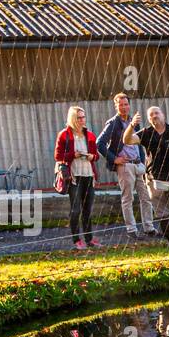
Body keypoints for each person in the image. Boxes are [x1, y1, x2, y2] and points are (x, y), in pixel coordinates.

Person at [123, 105, 169, 246]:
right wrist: (132, 125)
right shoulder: (146, 133)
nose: (154, 116)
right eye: (150, 115)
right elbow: (126, 140)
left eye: (156, 113)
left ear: (163, 114)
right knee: (161, 213)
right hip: (154, 180)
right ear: (148, 118)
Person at [98, 93, 156, 239]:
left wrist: (143, 161)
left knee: (146, 197)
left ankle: (149, 228)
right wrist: (114, 159)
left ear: (129, 105)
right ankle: (132, 230)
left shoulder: (134, 122)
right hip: (125, 166)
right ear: (116, 106)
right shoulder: (113, 123)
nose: (124, 107)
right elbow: (99, 143)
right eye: (120, 105)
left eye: (126, 104)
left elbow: (140, 141)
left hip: (138, 164)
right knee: (128, 198)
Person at [54, 106, 99, 249]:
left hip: (88, 176)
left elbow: (96, 156)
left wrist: (92, 156)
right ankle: (76, 240)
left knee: (88, 209)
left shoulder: (90, 135)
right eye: (79, 117)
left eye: (83, 117)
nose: (82, 120)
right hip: (73, 177)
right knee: (75, 210)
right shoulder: (64, 135)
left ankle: (89, 239)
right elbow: (58, 156)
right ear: (72, 119)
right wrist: (74, 155)